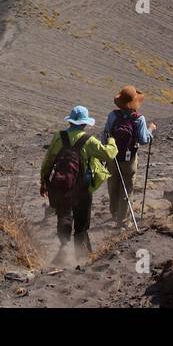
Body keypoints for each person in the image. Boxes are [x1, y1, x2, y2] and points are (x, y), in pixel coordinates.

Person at [40, 105, 118, 258]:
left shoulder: (58, 136)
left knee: (63, 216)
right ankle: (82, 257)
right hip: (82, 188)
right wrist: (112, 140)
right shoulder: (89, 141)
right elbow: (109, 155)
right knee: (82, 224)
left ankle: (63, 247)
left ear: (70, 122)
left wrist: (43, 181)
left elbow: (48, 160)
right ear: (85, 123)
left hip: (61, 186)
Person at [100, 86, 157, 227]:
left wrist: (104, 154)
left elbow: (105, 135)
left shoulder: (113, 116)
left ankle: (114, 213)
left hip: (113, 158)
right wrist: (151, 129)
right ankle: (123, 221)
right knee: (127, 188)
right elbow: (144, 140)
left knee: (113, 186)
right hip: (130, 159)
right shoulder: (139, 119)